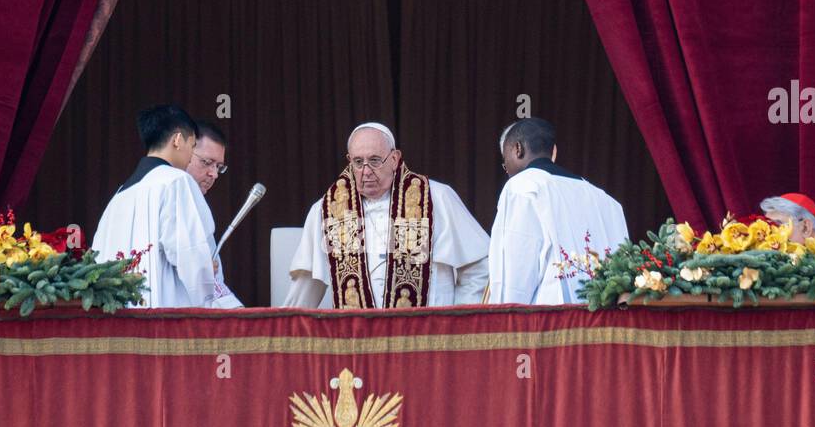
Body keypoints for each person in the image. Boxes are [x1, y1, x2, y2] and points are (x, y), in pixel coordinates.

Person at [284, 122, 489, 307]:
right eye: (358, 162)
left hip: (428, 333)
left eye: (374, 160)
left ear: (394, 159)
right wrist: (284, 329)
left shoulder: (436, 198)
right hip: (356, 335)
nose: (366, 171)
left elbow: (479, 267)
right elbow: (307, 283)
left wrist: (459, 319)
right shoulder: (327, 210)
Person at [486, 118, 629, 304]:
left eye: (505, 164)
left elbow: (513, 276)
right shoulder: (606, 201)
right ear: (553, 151)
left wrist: (502, 316)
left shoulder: (522, 187)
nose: (508, 172)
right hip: (604, 318)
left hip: (549, 317)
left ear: (518, 149)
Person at [91, 105, 220, 308]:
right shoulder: (176, 181)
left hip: (118, 315)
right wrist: (206, 270)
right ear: (178, 140)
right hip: (162, 316)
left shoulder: (118, 196)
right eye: (192, 145)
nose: (190, 156)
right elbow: (189, 255)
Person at [184, 120, 242, 307]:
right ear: (183, 152)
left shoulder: (195, 202)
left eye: (219, 167)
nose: (214, 174)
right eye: (207, 163)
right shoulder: (169, 196)